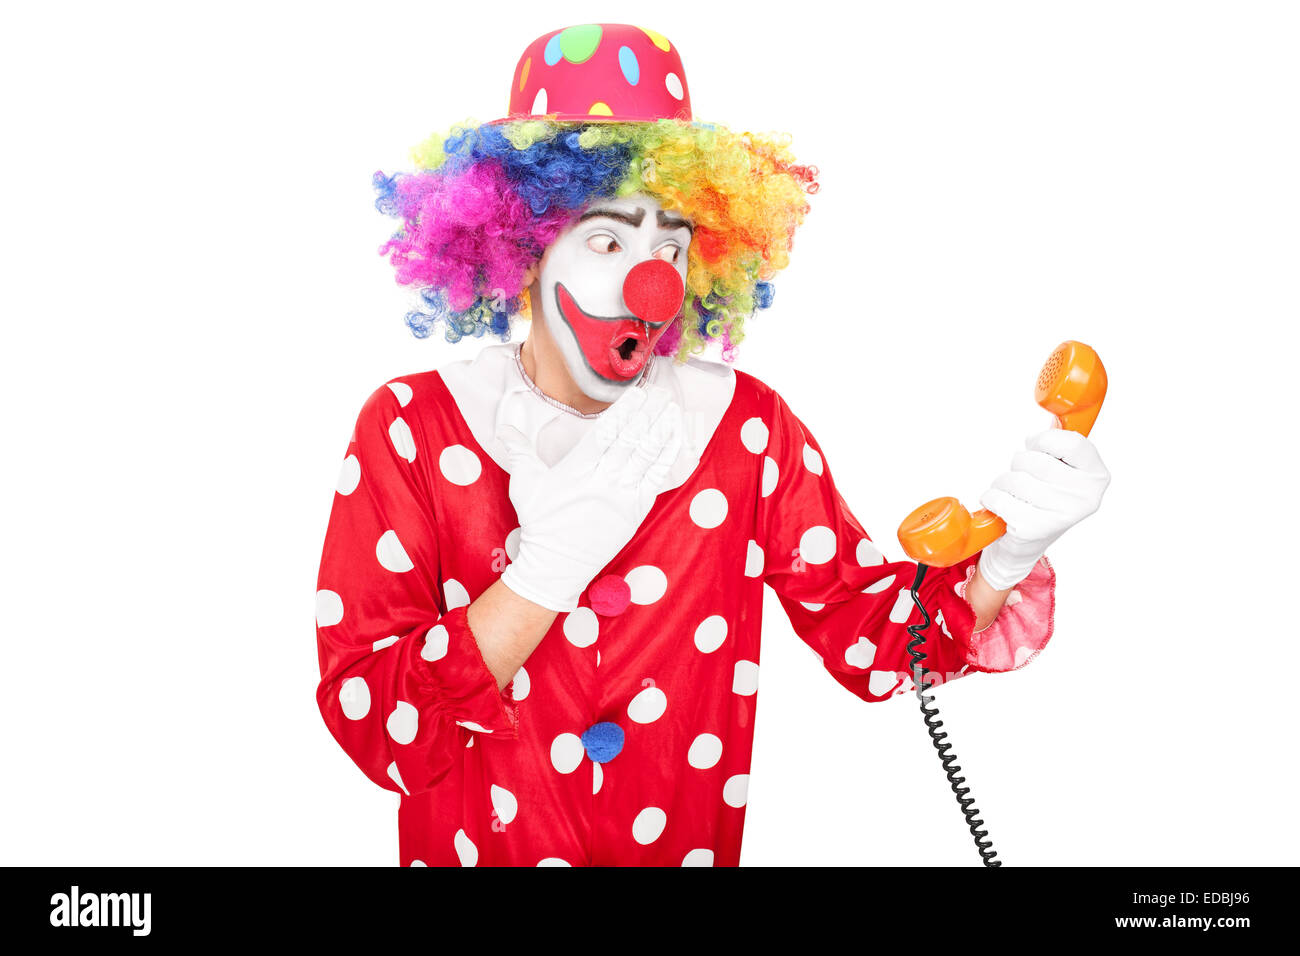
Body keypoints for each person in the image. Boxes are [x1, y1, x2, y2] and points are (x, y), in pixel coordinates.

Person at [314, 23, 1110, 866]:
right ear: (523, 249)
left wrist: (1008, 552)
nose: (648, 279)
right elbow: (375, 724)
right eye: (608, 240)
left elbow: (879, 644)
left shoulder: (743, 428)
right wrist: (545, 572)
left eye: (672, 244)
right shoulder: (412, 425)